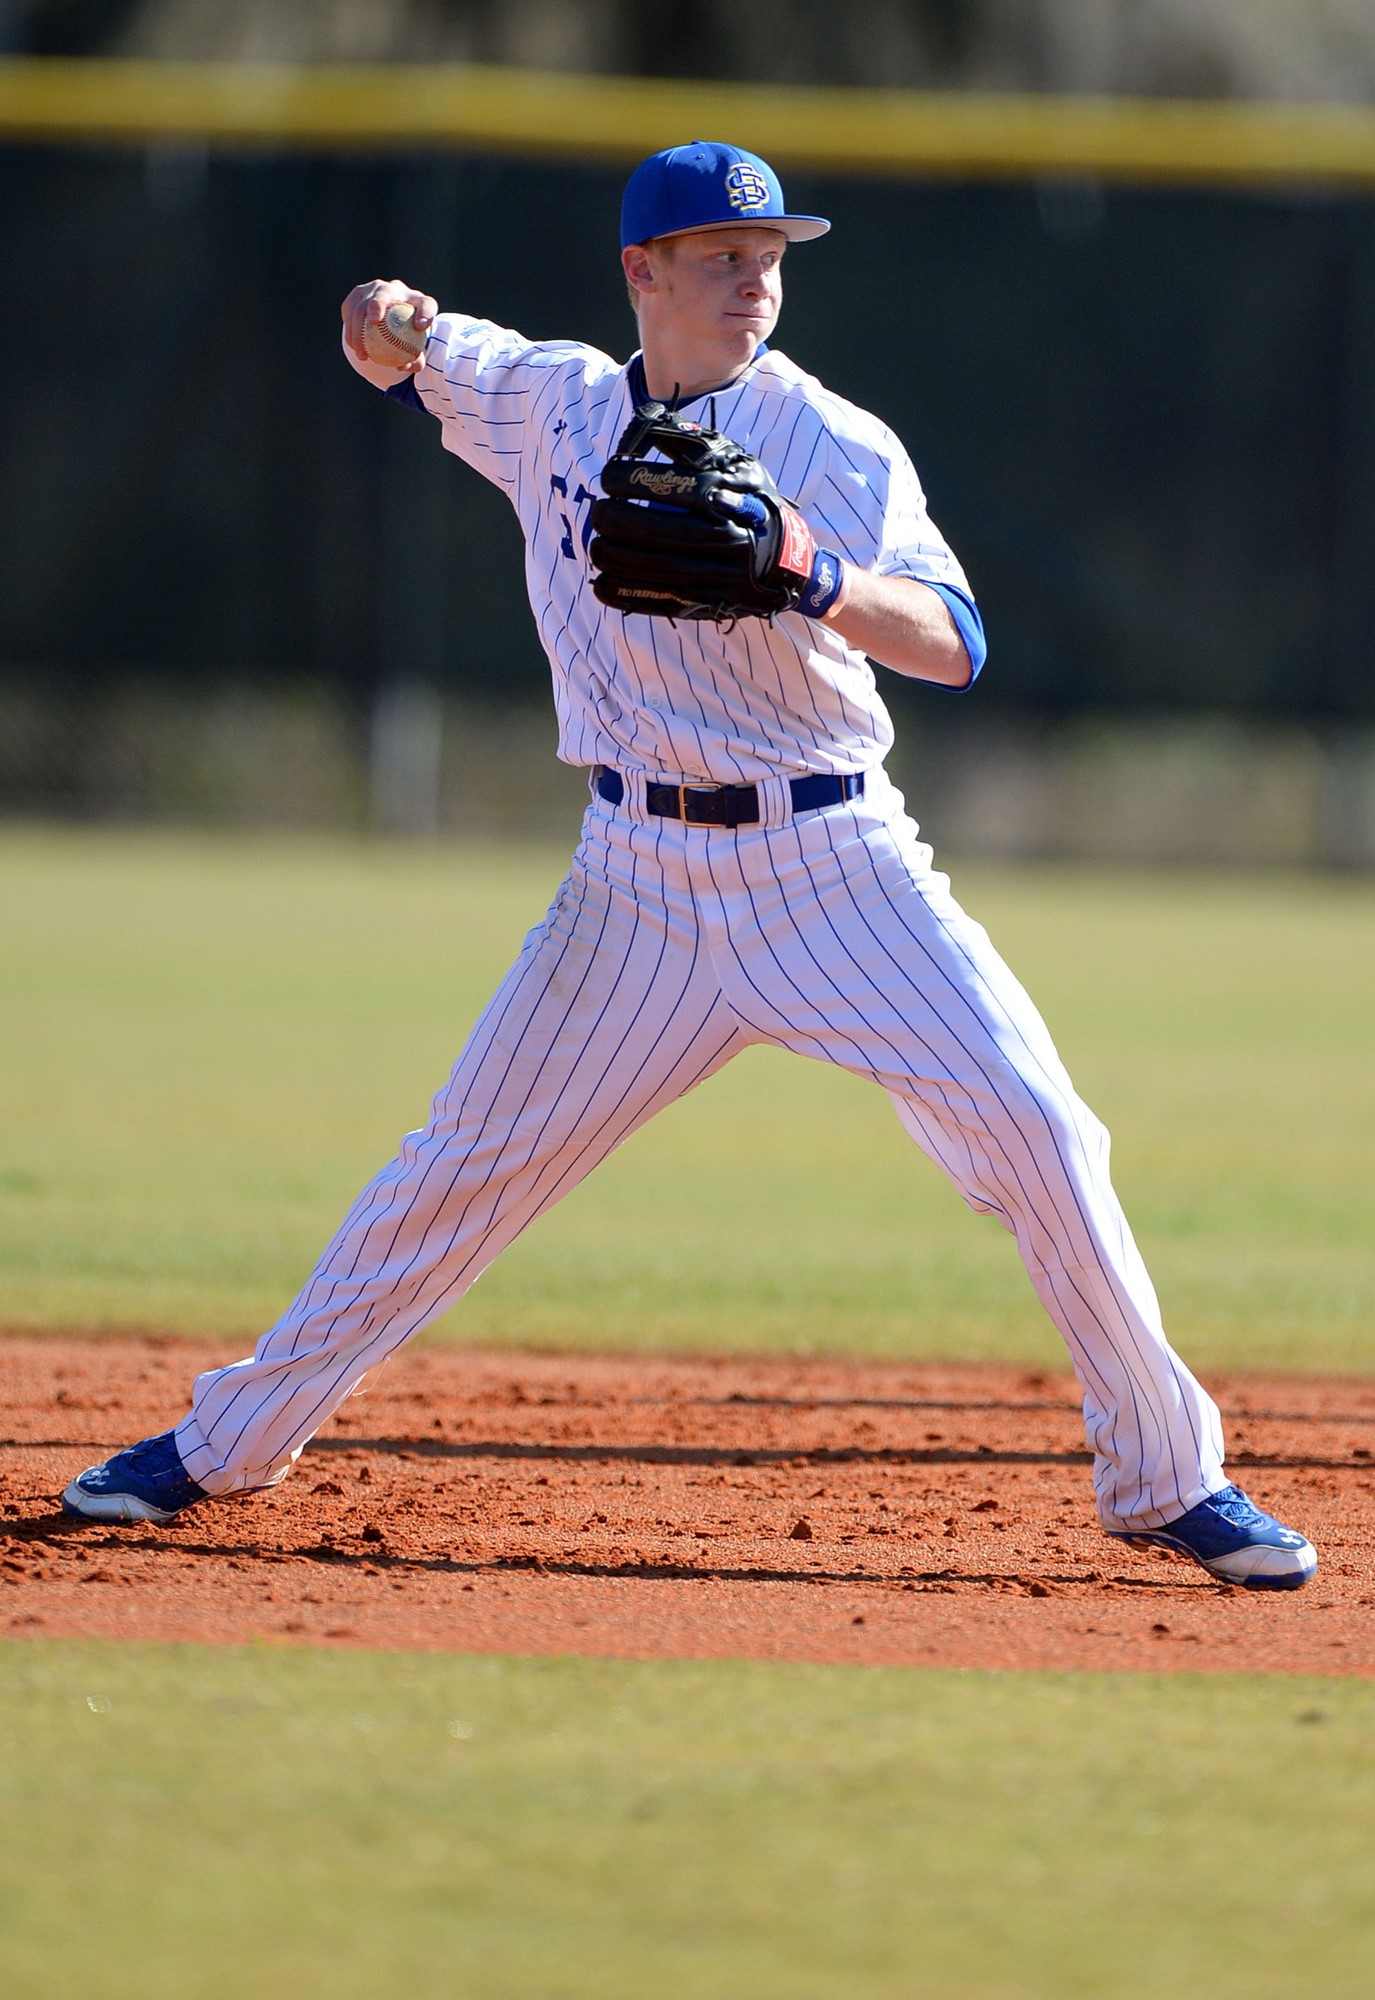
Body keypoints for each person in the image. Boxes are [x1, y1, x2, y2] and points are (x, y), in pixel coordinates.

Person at [63, 141, 1315, 1590]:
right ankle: (223, 1445)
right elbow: (395, 341)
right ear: (639, 274)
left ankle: (1170, 1478)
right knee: (459, 1171)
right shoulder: (551, 401)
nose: (757, 281)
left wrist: (809, 572)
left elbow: (958, 641)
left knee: (1042, 1132)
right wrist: (380, 314)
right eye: (723, 255)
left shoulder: (832, 443)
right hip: (633, 887)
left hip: (835, 867)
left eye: (771, 254)